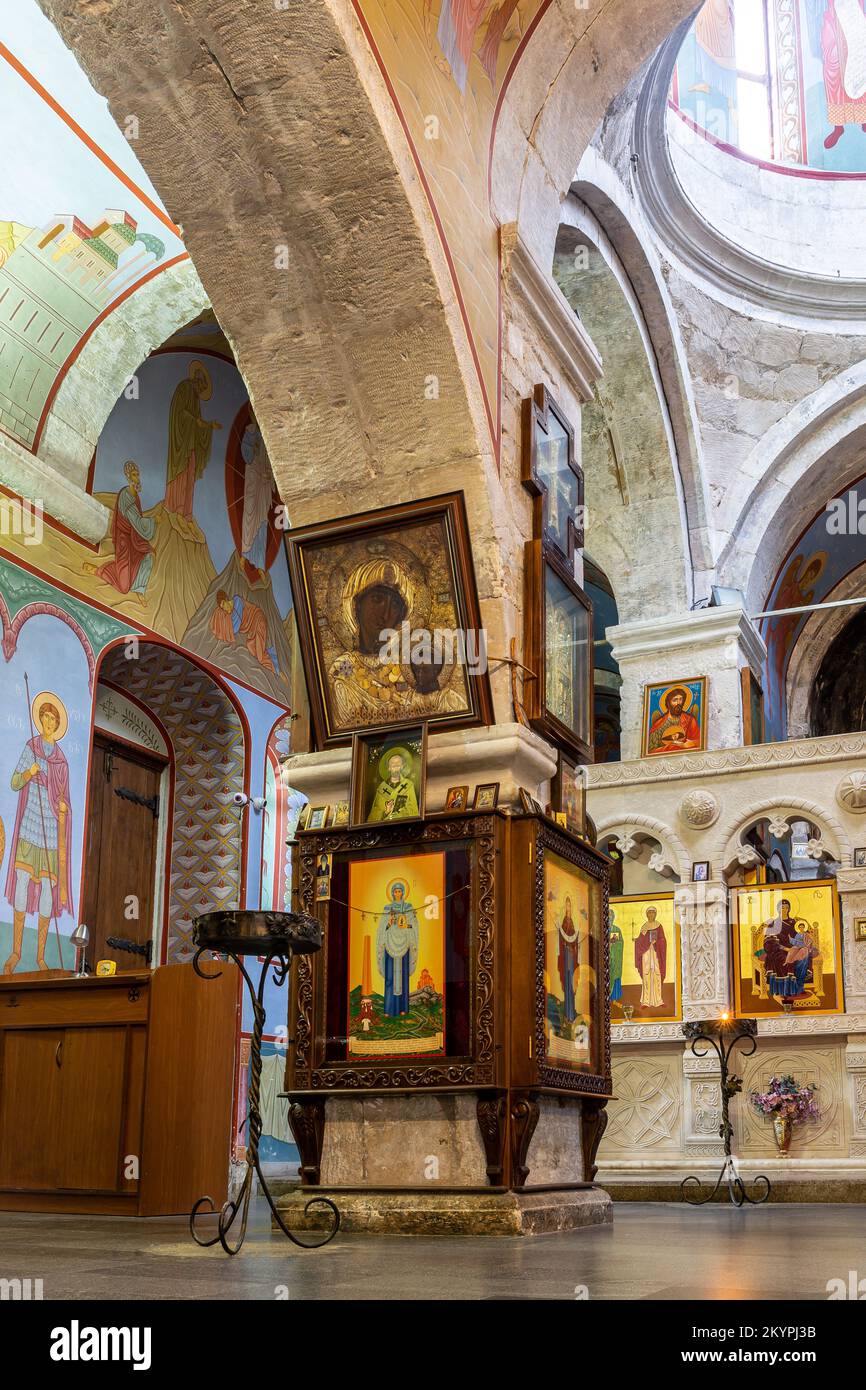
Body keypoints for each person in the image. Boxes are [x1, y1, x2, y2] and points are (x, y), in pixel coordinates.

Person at [4, 698, 73, 974]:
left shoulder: (61, 762)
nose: (48, 723)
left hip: (51, 831)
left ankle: (41, 957)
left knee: (47, 885)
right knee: (22, 878)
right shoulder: (30, 749)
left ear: (57, 726)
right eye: (45, 718)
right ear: (40, 720)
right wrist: (29, 771)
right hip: (29, 824)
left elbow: (65, 798)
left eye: (53, 720)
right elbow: (13, 782)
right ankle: (16, 952)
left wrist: (64, 806)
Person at [84, 460, 155, 601]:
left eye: (138, 474)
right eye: (134, 475)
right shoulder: (126, 495)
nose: (137, 478)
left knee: (149, 557)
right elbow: (136, 521)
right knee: (123, 588)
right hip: (125, 542)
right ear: (129, 477)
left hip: (135, 540)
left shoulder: (136, 497)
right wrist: (154, 522)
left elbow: (137, 523)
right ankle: (99, 571)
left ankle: (139, 589)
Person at [164, 360, 222, 521]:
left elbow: (198, 423)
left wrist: (208, 426)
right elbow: (179, 412)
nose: (201, 391)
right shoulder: (184, 388)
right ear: (197, 381)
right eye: (201, 387)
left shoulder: (195, 396)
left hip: (190, 445)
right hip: (181, 444)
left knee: (190, 474)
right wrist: (199, 422)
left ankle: (185, 512)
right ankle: (175, 507)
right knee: (181, 474)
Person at [804, 0, 866, 151]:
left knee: (860, 64)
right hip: (832, 17)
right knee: (832, 67)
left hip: (854, 15)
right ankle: (838, 126)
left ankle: (863, 118)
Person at [376, 880, 419, 1017]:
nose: (398, 893)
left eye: (400, 891)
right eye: (395, 891)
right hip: (389, 945)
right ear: (392, 893)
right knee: (390, 978)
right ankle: (389, 1009)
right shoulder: (387, 909)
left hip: (404, 944)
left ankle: (403, 1009)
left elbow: (414, 925)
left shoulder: (408, 907)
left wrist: (405, 924)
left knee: (403, 977)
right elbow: (382, 928)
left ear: (403, 892)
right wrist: (388, 924)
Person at [368, 750, 419, 823]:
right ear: (388, 767)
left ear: (402, 766)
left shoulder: (408, 785)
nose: (395, 765)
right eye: (392, 763)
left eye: (398, 763)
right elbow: (375, 812)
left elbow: (413, 809)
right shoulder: (382, 787)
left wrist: (400, 813)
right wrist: (386, 812)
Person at [648, 686, 701, 754]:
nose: (678, 703)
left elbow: (699, 741)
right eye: (675, 700)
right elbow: (650, 751)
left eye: (680, 699)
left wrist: (688, 744)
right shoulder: (659, 724)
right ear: (668, 703)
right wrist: (671, 747)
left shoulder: (690, 720)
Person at [635, 907, 666, 1008]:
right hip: (646, 954)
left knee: (657, 974)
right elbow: (640, 941)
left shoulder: (659, 926)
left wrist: (657, 942)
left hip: (656, 953)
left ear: (655, 914)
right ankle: (646, 1001)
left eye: (653, 912)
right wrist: (637, 941)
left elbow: (663, 940)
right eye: (649, 913)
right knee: (646, 974)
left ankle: (659, 1000)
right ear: (647, 914)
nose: (651, 914)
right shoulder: (644, 926)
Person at [557, 895, 580, 1023]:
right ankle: (568, 1013)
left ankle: (571, 1013)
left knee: (572, 983)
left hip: (572, 957)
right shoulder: (565, 921)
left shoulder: (572, 921)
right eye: (567, 905)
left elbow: (574, 937)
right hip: (566, 957)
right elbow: (563, 936)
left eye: (570, 905)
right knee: (567, 982)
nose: (568, 907)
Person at [609, 912, 624, 1004]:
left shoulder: (617, 930)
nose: (610, 919)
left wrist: (614, 944)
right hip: (606, 959)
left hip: (615, 958)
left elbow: (621, 943)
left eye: (611, 917)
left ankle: (614, 998)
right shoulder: (602, 930)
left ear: (613, 918)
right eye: (608, 917)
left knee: (615, 975)